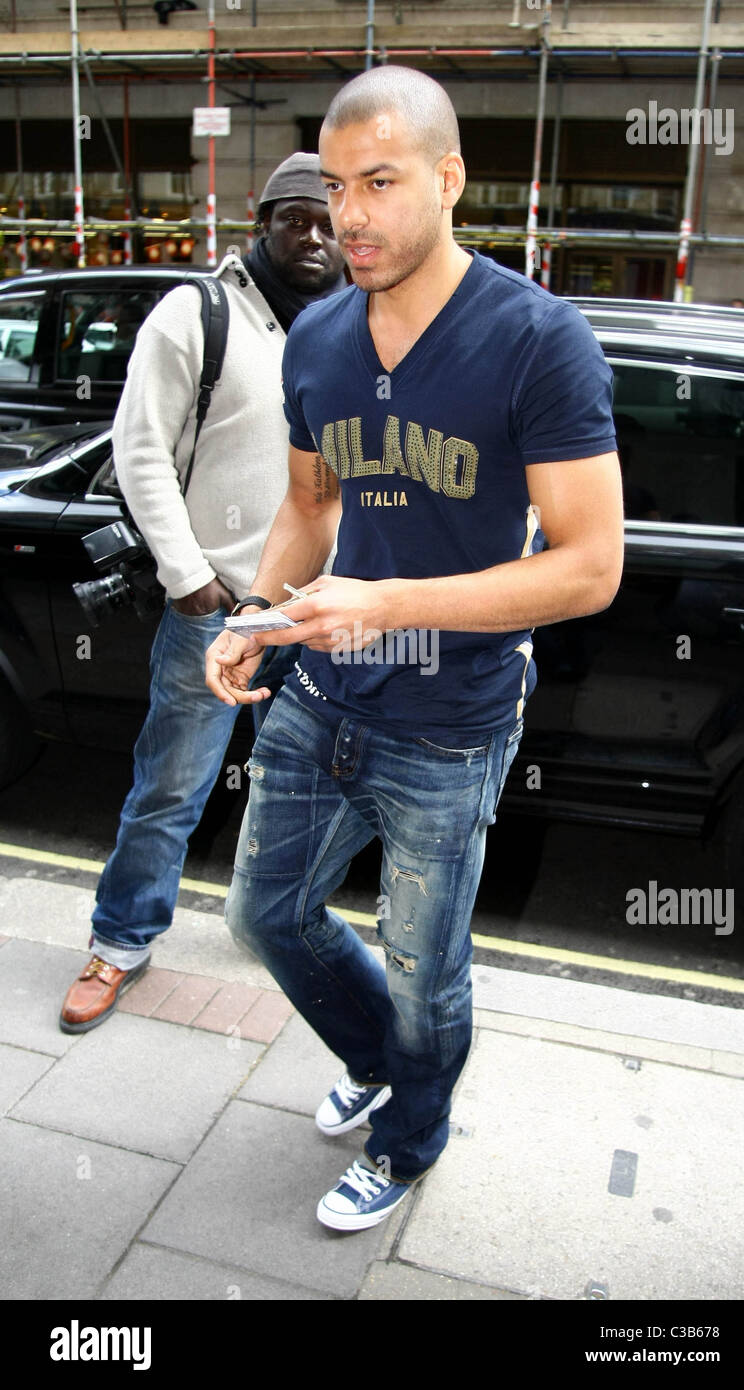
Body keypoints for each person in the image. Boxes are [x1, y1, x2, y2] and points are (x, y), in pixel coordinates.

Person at [204, 67, 624, 1232]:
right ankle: (388, 1058)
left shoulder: (538, 339)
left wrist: (387, 605)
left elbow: (589, 565)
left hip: (453, 715)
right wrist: (259, 611)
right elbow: (309, 505)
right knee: (263, 914)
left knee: (424, 966)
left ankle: (408, 1136)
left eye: (379, 182)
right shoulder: (320, 336)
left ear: (448, 180)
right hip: (321, 687)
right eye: (335, 187)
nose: (348, 216)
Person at [60, 153, 346, 1034]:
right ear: (260, 223)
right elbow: (139, 449)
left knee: (304, 790)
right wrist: (188, 581)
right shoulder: (199, 313)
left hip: (316, 613)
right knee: (173, 786)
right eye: (295, 216)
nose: (315, 235)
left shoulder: (353, 324)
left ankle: (272, 927)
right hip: (218, 612)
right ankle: (122, 941)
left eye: (328, 218)